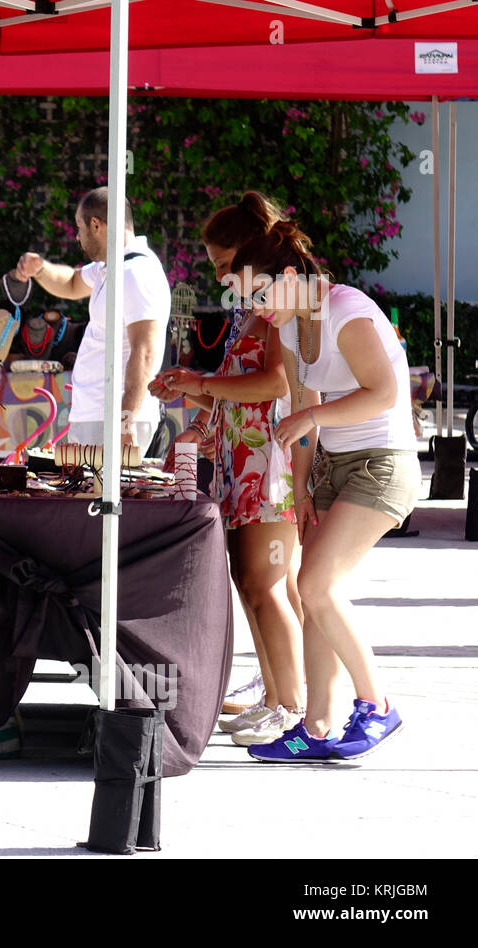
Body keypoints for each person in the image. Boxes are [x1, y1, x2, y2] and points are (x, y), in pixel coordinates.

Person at [227, 224, 418, 762]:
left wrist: (310, 415)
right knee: (315, 595)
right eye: (249, 300)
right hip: (331, 467)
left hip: (383, 464)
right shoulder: (290, 327)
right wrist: (303, 485)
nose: (258, 309)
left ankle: (377, 706)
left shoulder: (347, 309)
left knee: (314, 583)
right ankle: (317, 728)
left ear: (290, 277)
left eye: (261, 295)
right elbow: (299, 416)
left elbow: (382, 393)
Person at [150, 192, 305, 746]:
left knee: (265, 586)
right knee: (257, 583)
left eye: (222, 264)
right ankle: (276, 694)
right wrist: (202, 420)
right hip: (248, 459)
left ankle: (290, 707)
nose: (219, 275)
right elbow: (241, 393)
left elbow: (274, 385)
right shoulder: (254, 308)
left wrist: (200, 385)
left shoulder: (276, 306)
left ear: (249, 253)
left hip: (273, 462)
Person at [13, 187, 170, 455]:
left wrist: (125, 422)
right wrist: (40, 269)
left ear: (96, 225)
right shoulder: (111, 267)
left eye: (79, 227)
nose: (77, 236)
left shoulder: (136, 273)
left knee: (111, 497)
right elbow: (72, 283)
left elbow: (145, 353)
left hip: (115, 418)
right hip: (97, 414)